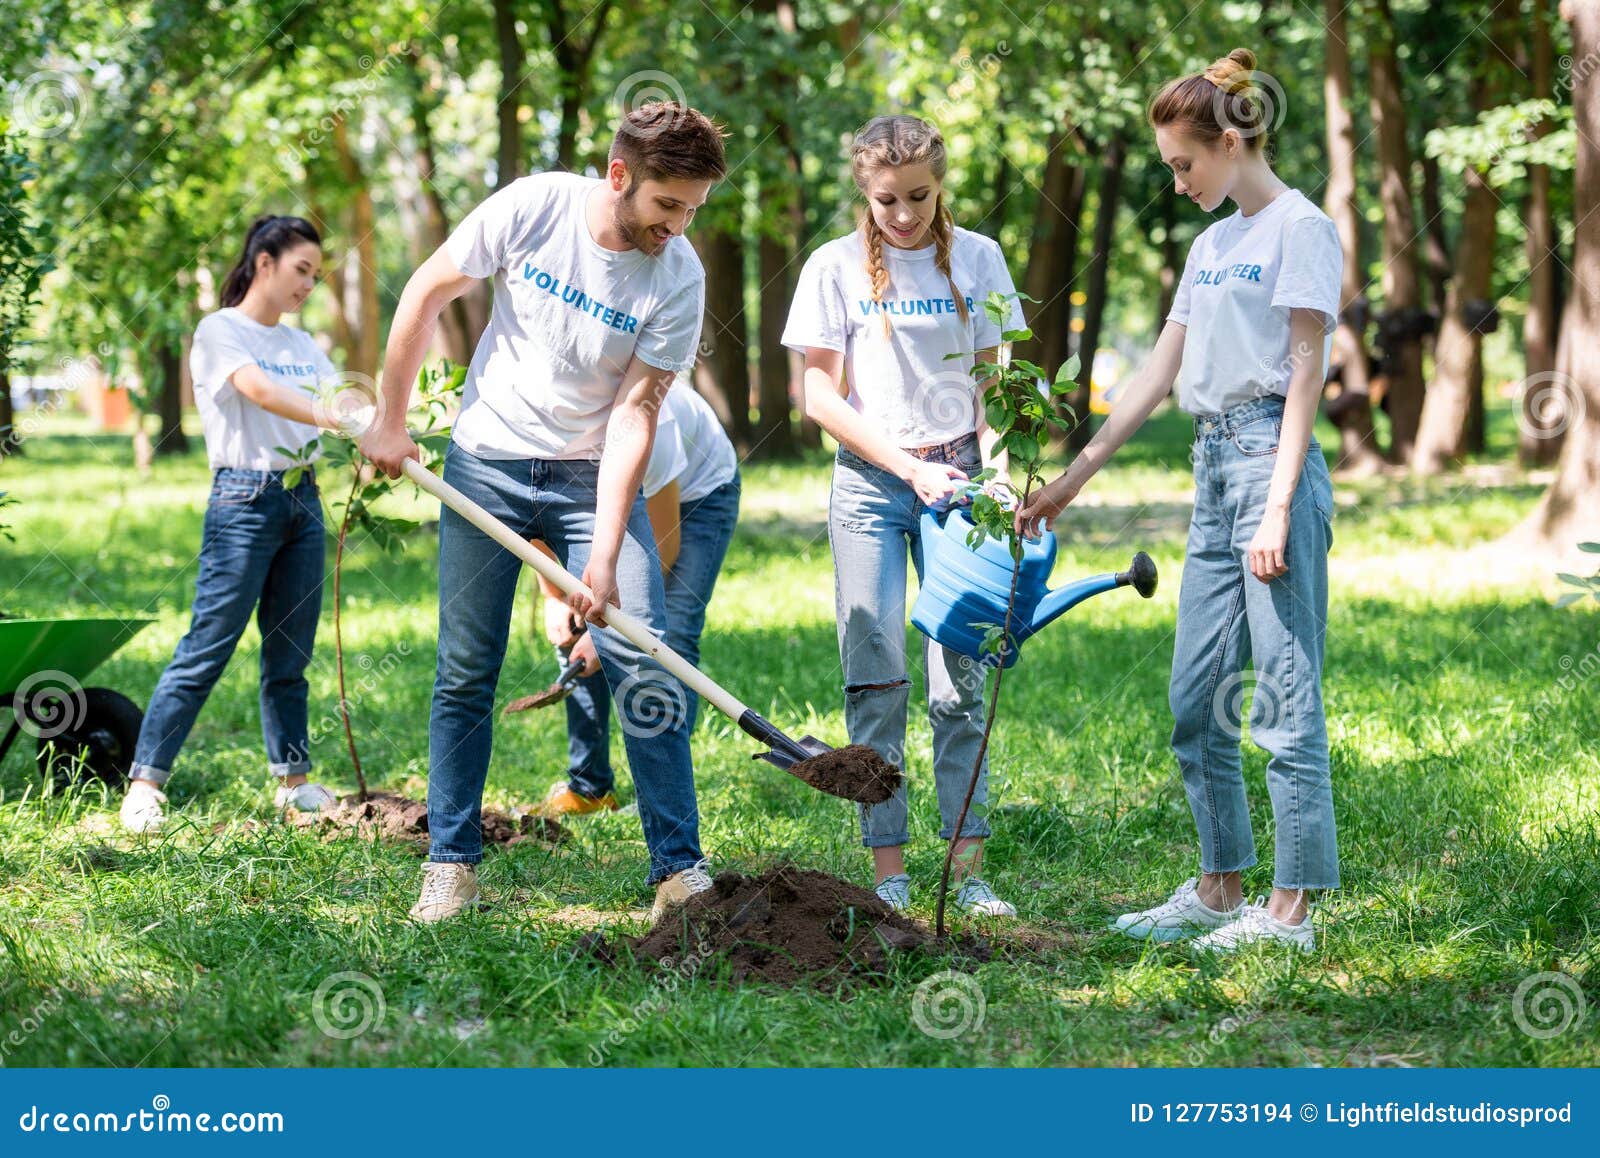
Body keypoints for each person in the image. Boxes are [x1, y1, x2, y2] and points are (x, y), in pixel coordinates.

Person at [360, 103, 727, 923]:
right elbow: (426, 291)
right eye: (668, 205)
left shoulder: (680, 276)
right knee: (466, 668)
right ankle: (452, 863)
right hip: (485, 461)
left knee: (646, 660)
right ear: (621, 175)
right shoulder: (534, 207)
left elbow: (636, 414)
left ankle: (678, 869)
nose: (678, 226)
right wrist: (389, 419)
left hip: (590, 473)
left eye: (693, 210)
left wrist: (600, 558)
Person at [1018, 48, 1344, 953]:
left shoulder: (1300, 228)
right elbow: (1160, 370)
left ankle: (1290, 912)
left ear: (1233, 139)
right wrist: (1073, 480)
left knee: (1281, 694)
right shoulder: (1211, 246)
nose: (1176, 180)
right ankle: (1217, 885)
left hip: (1272, 461)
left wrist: (1279, 506)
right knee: (1196, 698)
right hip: (1211, 472)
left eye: (1182, 163)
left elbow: (1307, 371)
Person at [782, 114, 1023, 918]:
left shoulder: (980, 259)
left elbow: (998, 387)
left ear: (940, 182)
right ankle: (889, 871)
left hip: (959, 482)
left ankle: (968, 868)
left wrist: (995, 473)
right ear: (864, 190)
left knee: (960, 676)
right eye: (887, 200)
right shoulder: (834, 266)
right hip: (870, 485)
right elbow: (818, 394)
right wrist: (906, 468)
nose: (905, 215)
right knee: (877, 671)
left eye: (919, 196)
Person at [122, 214, 353, 833]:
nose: (309, 284)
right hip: (244, 500)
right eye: (301, 270)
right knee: (209, 644)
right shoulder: (220, 331)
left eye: (316, 274)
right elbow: (258, 392)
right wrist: (339, 420)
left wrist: (380, 425)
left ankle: (294, 781)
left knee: (290, 654)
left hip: (305, 502)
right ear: (264, 263)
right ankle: (145, 783)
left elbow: (344, 400)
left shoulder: (305, 346)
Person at [533, 378, 741, 818]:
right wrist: (554, 597)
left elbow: (661, 549)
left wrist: (610, 620)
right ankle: (588, 787)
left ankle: (666, 801)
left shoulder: (653, 425)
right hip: (596, 498)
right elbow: (534, 517)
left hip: (697, 497)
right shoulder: (536, 425)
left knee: (667, 639)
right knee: (574, 626)